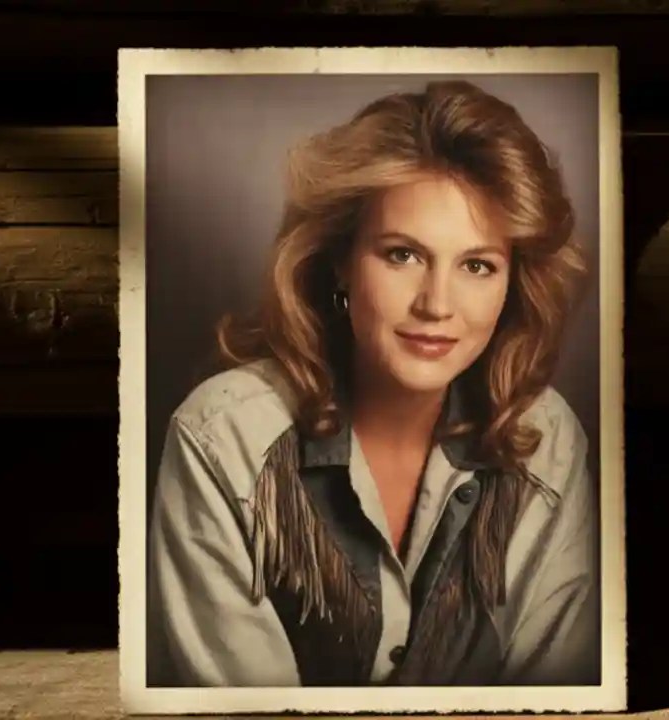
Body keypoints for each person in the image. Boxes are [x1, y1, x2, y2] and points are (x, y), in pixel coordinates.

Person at [146, 80, 598, 688]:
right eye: (402, 255)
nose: (437, 304)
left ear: (513, 282)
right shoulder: (221, 439)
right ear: (340, 258)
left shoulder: (546, 438)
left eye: (477, 265)